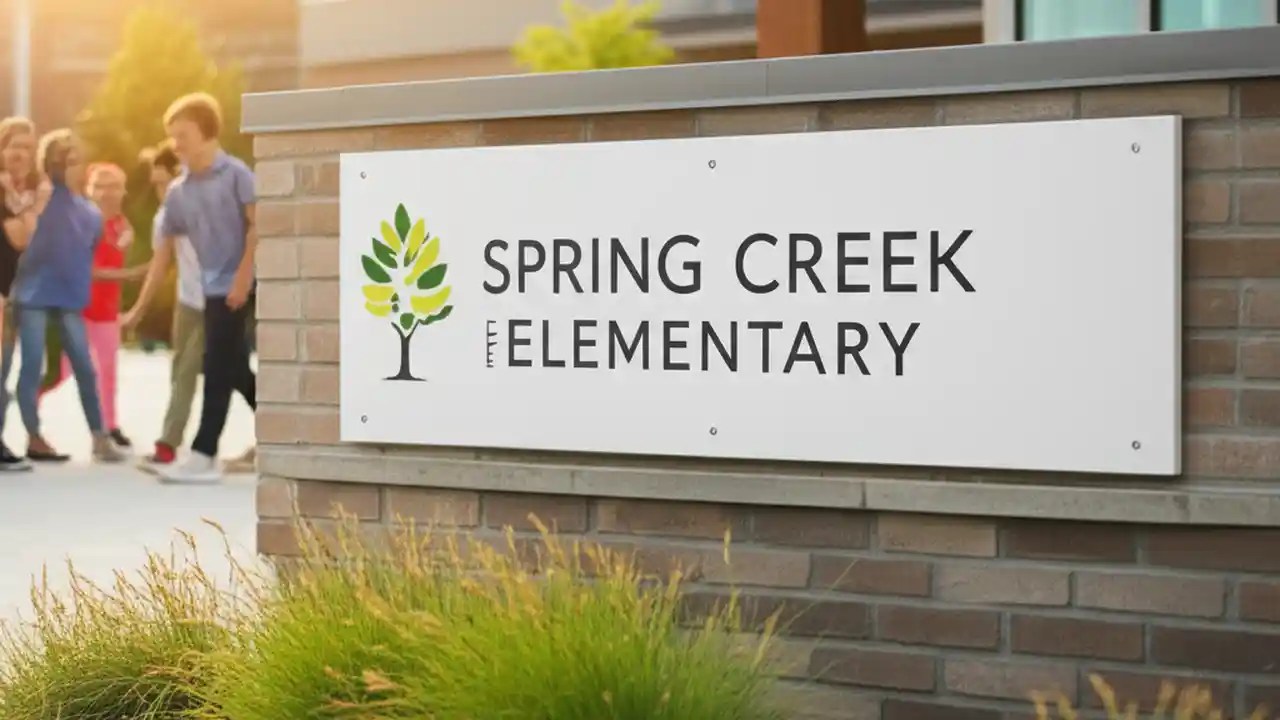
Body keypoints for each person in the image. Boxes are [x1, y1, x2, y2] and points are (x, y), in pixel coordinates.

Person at [126, 93, 256, 483]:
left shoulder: (237, 175)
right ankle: (285, 426)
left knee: (218, 364)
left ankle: (202, 455)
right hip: (212, 290)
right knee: (230, 365)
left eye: (182, 135)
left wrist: (243, 278)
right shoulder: (180, 192)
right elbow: (162, 255)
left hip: (245, 282)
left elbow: (258, 225)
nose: (176, 145)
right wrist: (137, 309)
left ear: (206, 133)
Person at [11, 130, 131, 463]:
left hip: (69, 301)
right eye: (58, 159)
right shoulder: (36, 202)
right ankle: (34, 437)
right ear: (46, 163)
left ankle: (99, 437)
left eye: (72, 159)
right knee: (32, 367)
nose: (65, 166)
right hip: (33, 296)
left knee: (85, 368)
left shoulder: (88, 212)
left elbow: (87, 255)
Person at [49, 163, 145, 449]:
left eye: (113, 186)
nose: (106, 193)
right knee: (59, 371)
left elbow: (117, 252)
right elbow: (86, 269)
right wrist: (132, 275)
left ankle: (109, 426)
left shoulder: (122, 225)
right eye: (99, 186)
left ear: (123, 190)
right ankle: (24, 405)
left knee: (107, 371)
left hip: (105, 312)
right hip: (76, 310)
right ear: (88, 190)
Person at [129, 141, 204, 469]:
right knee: (188, 369)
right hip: (188, 299)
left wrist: (137, 311)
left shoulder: (198, 199)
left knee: (189, 368)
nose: (160, 190)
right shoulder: (165, 215)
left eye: (164, 182)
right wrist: (139, 309)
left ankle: (168, 443)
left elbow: (160, 268)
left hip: (217, 298)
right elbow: (161, 266)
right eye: (155, 184)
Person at [0, 117, 39, 471]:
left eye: (28, 148)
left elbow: (30, 234)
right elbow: (20, 237)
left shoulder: (24, 193)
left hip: (9, 292)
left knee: (4, 367)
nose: (22, 154)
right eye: (15, 146)